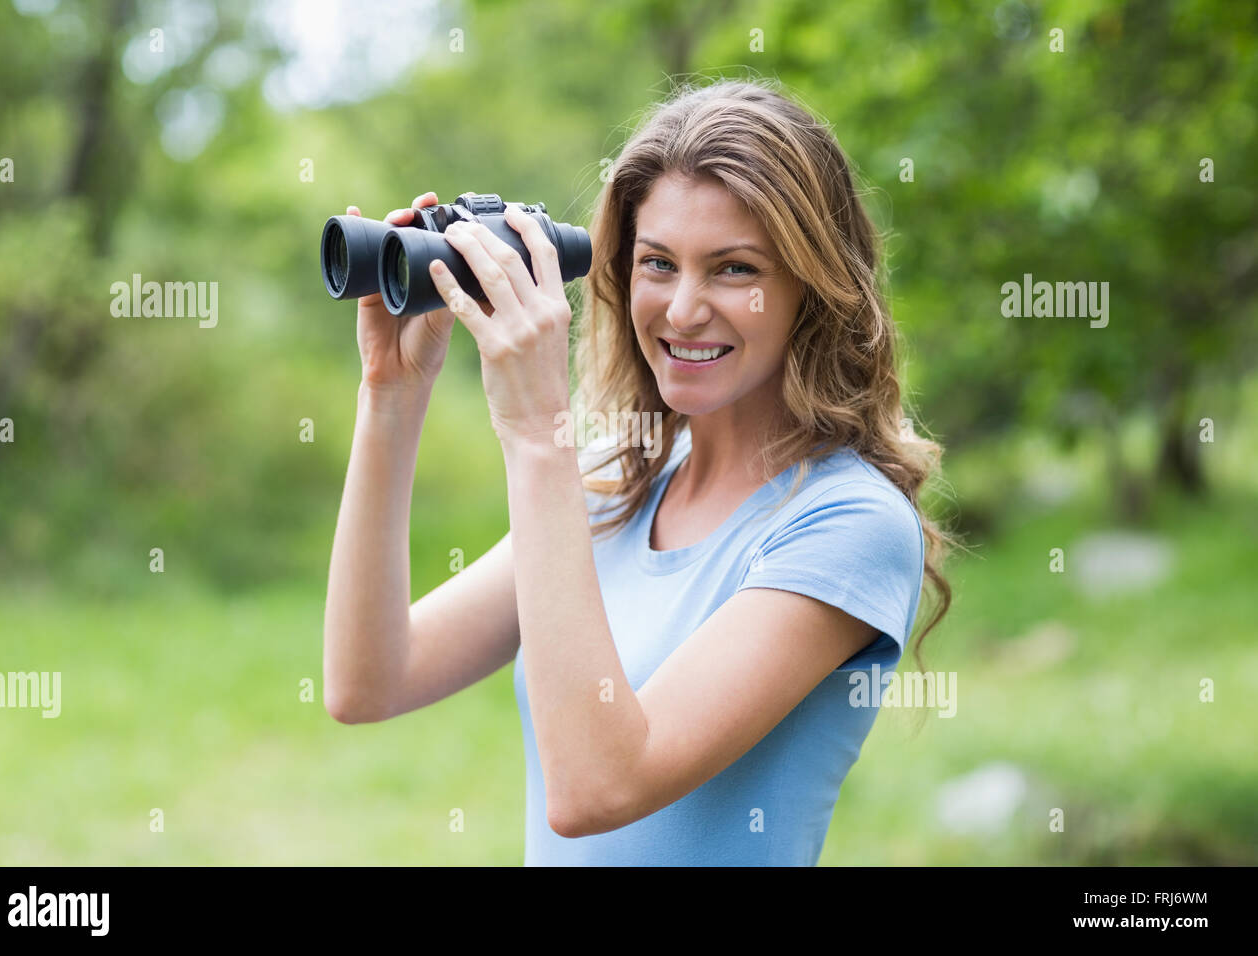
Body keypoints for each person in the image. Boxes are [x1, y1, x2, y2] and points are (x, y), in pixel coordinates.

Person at [322, 76, 953, 866]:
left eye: (734, 270)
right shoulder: (615, 489)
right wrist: (391, 394)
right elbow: (367, 682)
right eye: (657, 263)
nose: (683, 308)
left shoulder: (847, 525)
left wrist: (535, 431)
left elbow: (596, 790)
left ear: (813, 288)